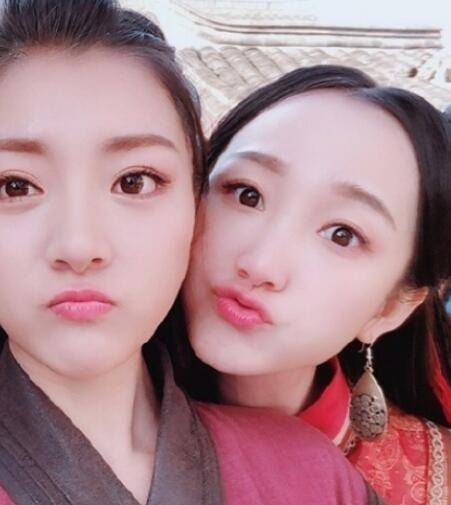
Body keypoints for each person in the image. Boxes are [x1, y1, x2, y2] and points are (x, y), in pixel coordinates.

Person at [0, 2, 380, 504]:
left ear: (195, 204)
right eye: (14, 186)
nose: (79, 246)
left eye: (135, 181)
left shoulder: (312, 476)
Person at [176, 65, 451, 504]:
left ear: (391, 307)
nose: (261, 264)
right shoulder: (84, 429)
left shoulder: (433, 479)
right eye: (247, 194)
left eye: (342, 234)